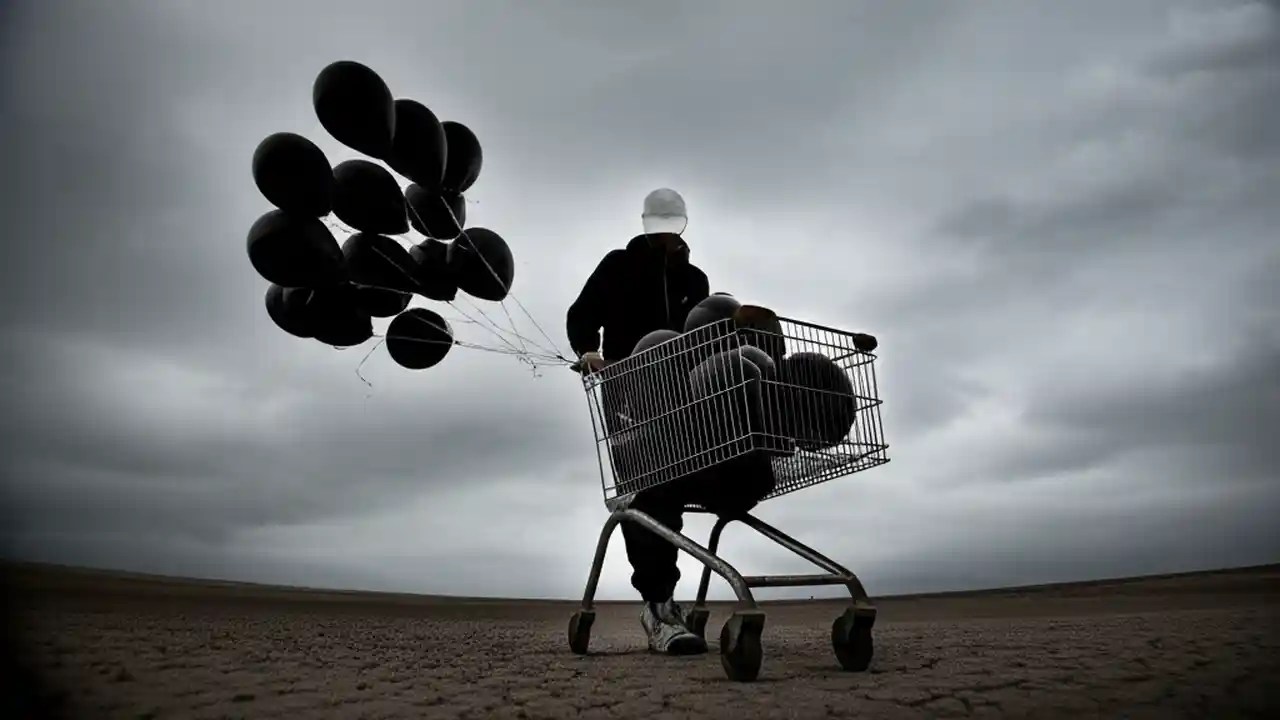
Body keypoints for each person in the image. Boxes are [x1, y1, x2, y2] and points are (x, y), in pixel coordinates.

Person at [565, 188, 713, 655]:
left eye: (675, 220)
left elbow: (703, 334)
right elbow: (581, 314)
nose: (668, 228)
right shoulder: (618, 265)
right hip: (629, 390)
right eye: (661, 219)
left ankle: (666, 602)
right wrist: (588, 349)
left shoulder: (695, 279)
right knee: (645, 492)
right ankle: (658, 606)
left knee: (670, 491)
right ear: (648, 221)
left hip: (681, 398)